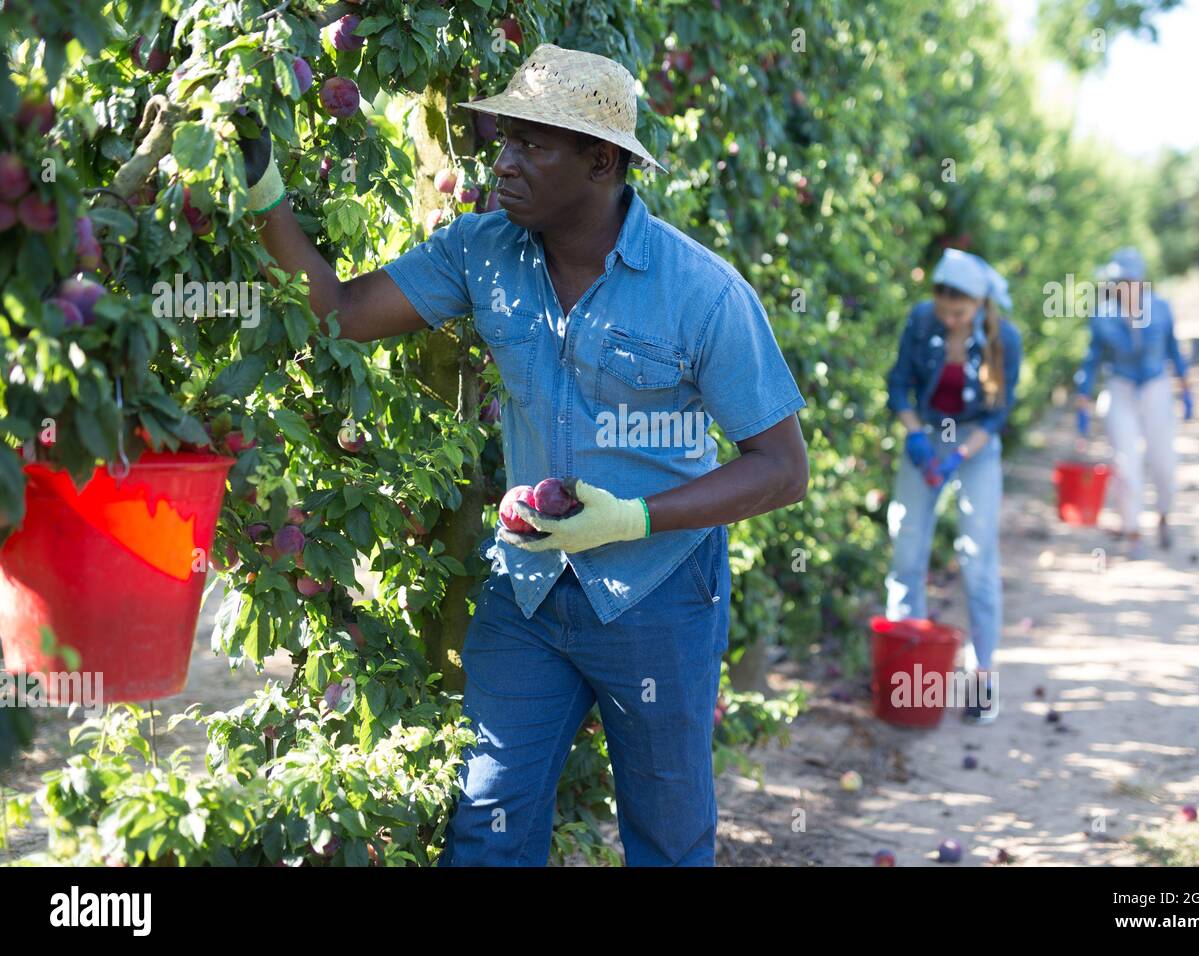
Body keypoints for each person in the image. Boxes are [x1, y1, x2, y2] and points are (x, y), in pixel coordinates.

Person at [239, 45, 808, 865]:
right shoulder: (481, 252)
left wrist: (635, 516)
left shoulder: (703, 293)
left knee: (669, 831)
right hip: (531, 587)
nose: (500, 164)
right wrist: (263, 187)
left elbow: (782, 468)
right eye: (501, 140)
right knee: (488, 823)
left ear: (600, 161)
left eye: (530, 145)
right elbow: (337, 313)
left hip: (660, 590)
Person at [884, 249, 1022, 724]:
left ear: (981, 304)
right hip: (925, 431)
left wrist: (961, 455)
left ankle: (982, 677)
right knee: (907, 544)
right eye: (943, 309)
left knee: (977, 556)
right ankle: (907, 672)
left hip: (975, 444)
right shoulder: (922, 322)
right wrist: (916, 436)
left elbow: (999, 413)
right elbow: (898, 386)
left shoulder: (1005, 338)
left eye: (958, 312)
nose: (948, 318)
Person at [1074, 247, 1191, 559]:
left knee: (1163, 459)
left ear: (1141, 281)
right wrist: (1082, 399)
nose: (1123, 287)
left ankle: (1165, 515)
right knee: (1126, 463)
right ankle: (1132, 530)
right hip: (1121, 386)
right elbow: (1092, 360)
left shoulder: (1161, 309)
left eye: (1129, 281)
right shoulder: (1103, 316)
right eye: (1118, 282)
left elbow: (1174, 350)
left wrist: (1185, 387)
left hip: (1155, 385)